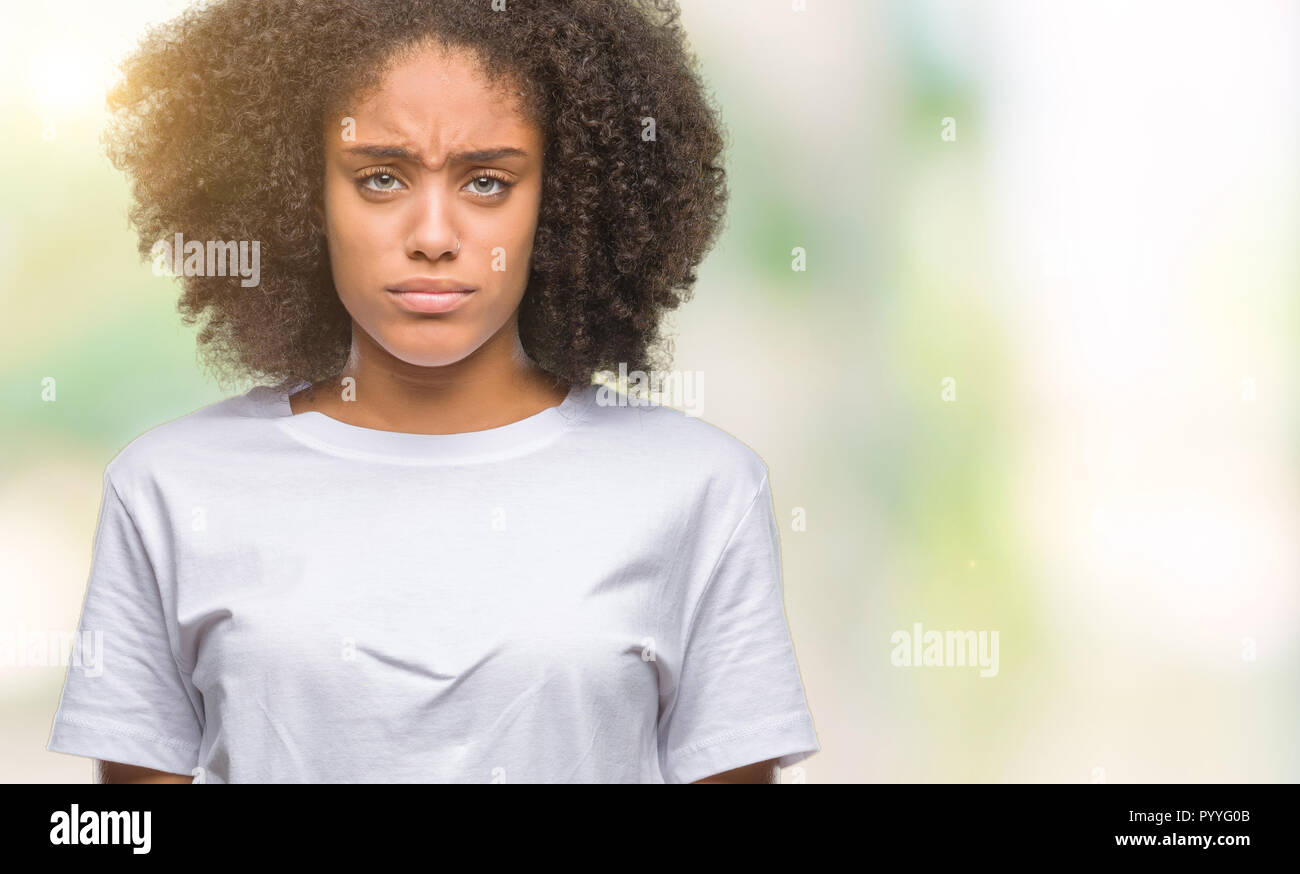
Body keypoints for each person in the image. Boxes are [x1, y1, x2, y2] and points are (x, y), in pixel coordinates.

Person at [47, 0, 819, 784]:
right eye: (380, 178)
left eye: (488, 181)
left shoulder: (700, 489)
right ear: (301, 193)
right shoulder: (170, 489)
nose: (434, 235)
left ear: (561, 200)